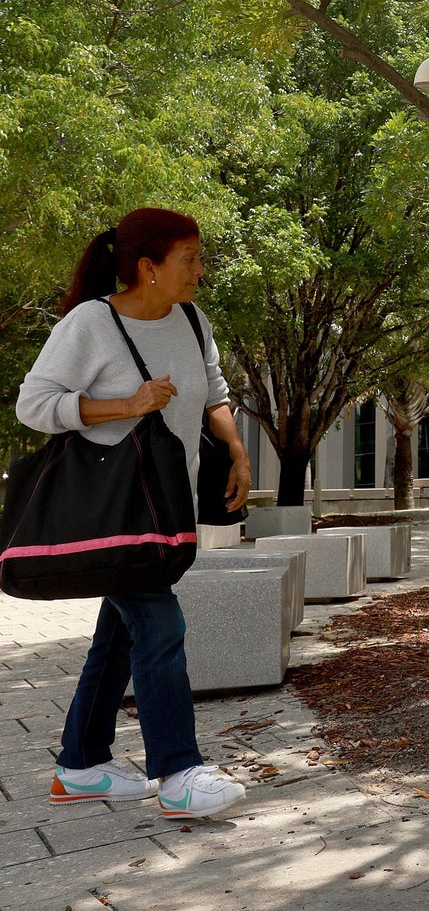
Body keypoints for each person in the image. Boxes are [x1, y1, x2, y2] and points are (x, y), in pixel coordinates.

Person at [17, 207, 252, 818]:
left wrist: (234, 447)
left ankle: (80, 766)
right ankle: (177, 774)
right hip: (113, 511)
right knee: (159, 623)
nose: (200, 270)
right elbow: (34, 404)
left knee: (118, 634)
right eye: (189, 259)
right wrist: (126, 403)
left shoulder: (194, 321)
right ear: (148, 268)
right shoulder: (91, 323)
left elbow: (215, 393)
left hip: (165, 507)